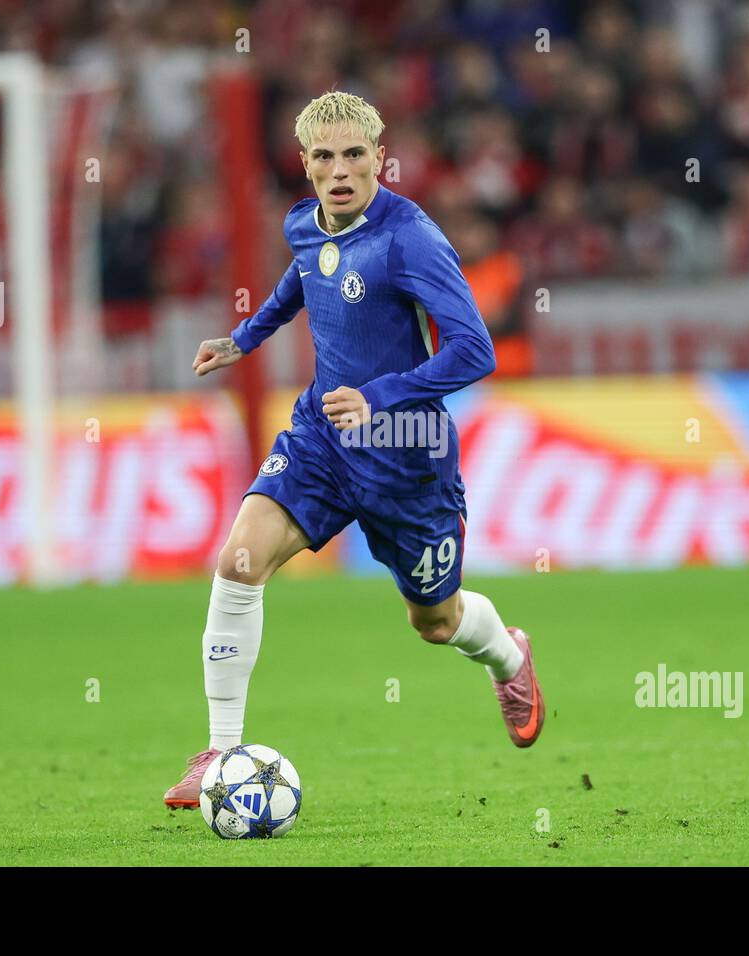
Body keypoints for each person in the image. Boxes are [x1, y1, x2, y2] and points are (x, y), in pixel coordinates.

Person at [163, 91, 545, 808]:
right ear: (305, 165)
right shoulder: (303, 223)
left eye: (355, 155)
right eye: (325, 158)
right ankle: (219, 751)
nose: (341, 171)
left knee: (435, 621)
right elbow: (300, 282)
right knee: (239, 559)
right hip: (324, 436)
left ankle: (508, 654)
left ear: (379, 156)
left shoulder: (412, 238)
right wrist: (242, 338)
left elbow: (475, 349)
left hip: (406, 452)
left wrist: (381, 395)